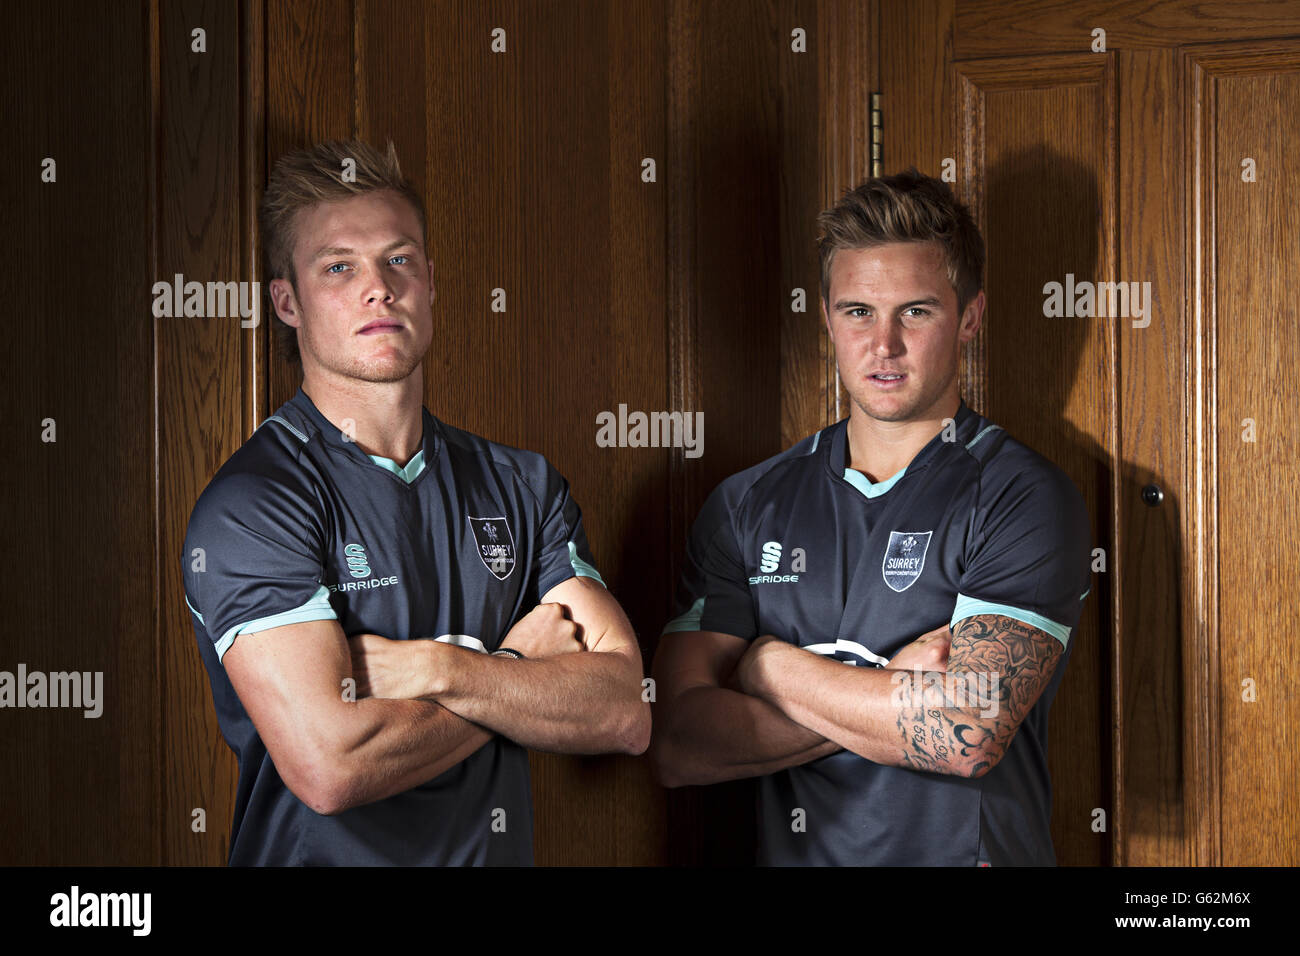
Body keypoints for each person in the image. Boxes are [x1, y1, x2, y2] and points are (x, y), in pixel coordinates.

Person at [182, 139, 648, 866]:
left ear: (430, 280)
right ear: (287, 302)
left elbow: (623, 709)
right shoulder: (255, 504)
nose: (379, 287)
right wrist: (520, 662)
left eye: (399, 260)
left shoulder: (520, 486)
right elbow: (331, 767)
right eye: (339, 267)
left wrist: (444, 669)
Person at [649, 168, 1091, 866]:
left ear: (970, 316)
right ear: (826, 317)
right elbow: (678, 744)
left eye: (915, 311)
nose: (883, 345)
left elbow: (964, 734)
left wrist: (769, 669)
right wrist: (891, 680)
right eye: (858, 311)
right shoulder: (746, 503)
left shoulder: (1022, 495)